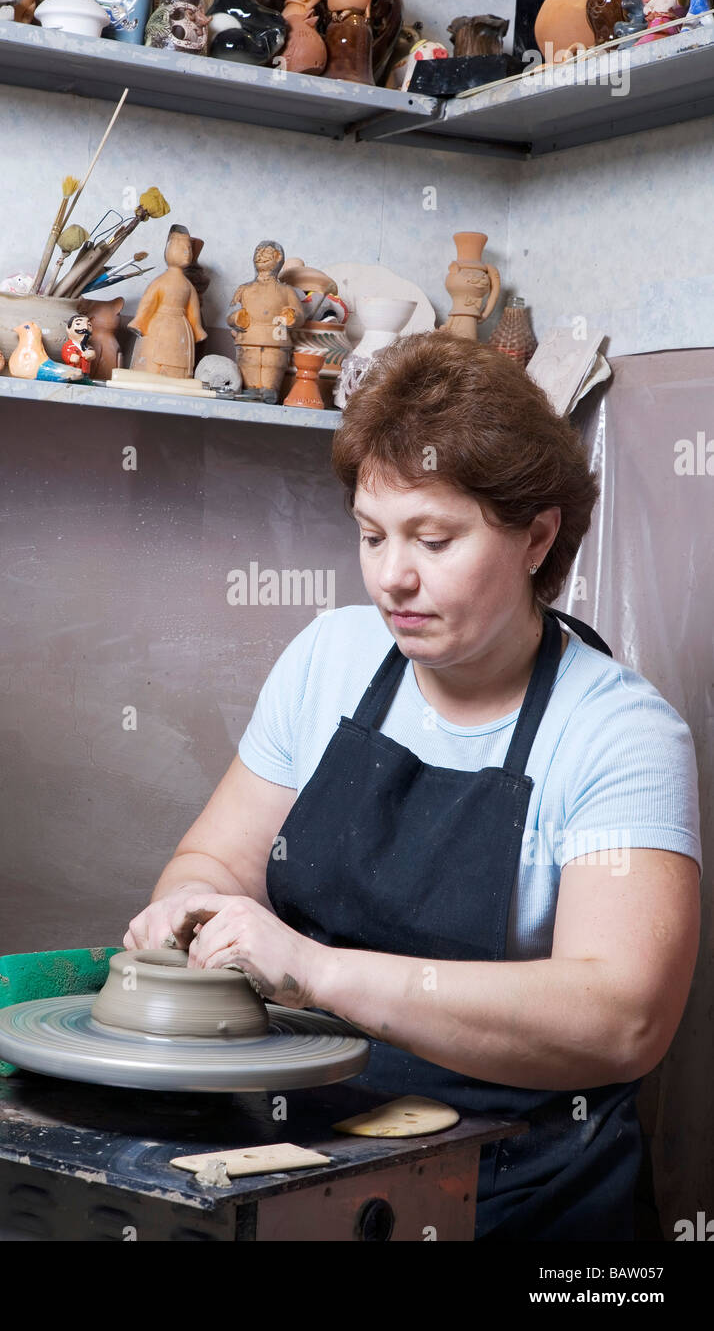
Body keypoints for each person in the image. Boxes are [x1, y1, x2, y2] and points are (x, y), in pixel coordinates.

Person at [124, 332, 701, 1240]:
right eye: (371, 534)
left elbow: (621, 1018)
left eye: (435, 538)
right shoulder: (330, 659)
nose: (393, 575)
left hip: (530, 1197)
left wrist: (316, 971)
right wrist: (193, 906)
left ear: (536, 537)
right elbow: (215, 859)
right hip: (308, 1165)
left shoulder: (620, 733)